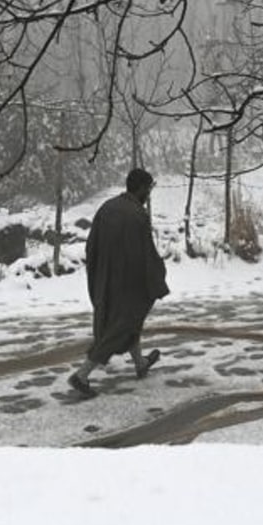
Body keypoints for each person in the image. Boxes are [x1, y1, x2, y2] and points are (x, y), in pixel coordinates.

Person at [68, 168, 169, 398]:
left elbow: (91, 246)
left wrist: (97, 275)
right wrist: (157, 274)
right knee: (119, 328)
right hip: (128, 283)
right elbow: (144, 254)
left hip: (105, 279)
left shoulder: (107, 208)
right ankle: (82, 375)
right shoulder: (137, 215)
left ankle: (140, 363)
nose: (149, 194)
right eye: (148, 189)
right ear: (141, 188)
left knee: (129, 323)